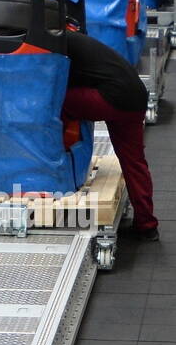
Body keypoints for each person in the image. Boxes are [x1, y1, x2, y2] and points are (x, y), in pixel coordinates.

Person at [61, 32, 159, 240]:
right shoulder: (73, 38)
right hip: (135, 97)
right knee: (134, 162)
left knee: (57, 103)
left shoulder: (53, 48)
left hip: (111, 97)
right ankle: (147, 224)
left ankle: (58, 169)